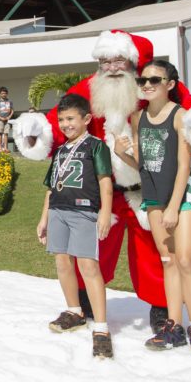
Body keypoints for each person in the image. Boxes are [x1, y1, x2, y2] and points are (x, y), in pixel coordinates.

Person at [14, 29, 191, 335]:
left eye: (119, 60)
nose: (112, 66)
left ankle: (162, 307)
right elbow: (58, 121)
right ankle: (84, 303)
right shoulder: (88, 88)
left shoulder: (152, 85)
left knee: (157, 253)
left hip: (149, 188)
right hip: (103, 190)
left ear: (133, 61)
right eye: (106, 60)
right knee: (92, 248)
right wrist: (36, 130)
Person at [113, 60, 191, 359]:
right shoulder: (137, 118)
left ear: (170, 84)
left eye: (155, 80)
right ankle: (173, 326)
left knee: (185, 260)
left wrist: (174, 207)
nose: (147, 85)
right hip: (153, 196)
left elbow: (185, 166)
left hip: (181, 194)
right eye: (142, 80)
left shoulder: (180, 116)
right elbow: (144, 166)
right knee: (167, 261)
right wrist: (123, 155)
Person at [37, 94, 114, 359]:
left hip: (84, 212)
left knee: (88, 266)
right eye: (61, 119)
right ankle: (74, 310)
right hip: (58, 210)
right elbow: (51, 188)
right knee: (62, 263)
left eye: (70, 118)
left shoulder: (96, 146)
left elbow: (105, 182)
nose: (65, 124)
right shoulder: (59, 151)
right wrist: (43, 218)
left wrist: (105, 212)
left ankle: (102, 328)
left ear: (86, 119)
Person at [0, 86, 15, 152]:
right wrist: (0, 117)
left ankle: (5, 148)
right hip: (0, 120)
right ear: (0, 94)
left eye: (5, 93)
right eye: (2, 93)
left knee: (6, 133)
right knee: (0, 133)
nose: (3, 94)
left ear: (7, 93)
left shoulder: (10, 101)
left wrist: (9, 116)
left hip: (7, 119)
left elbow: (12, 110)